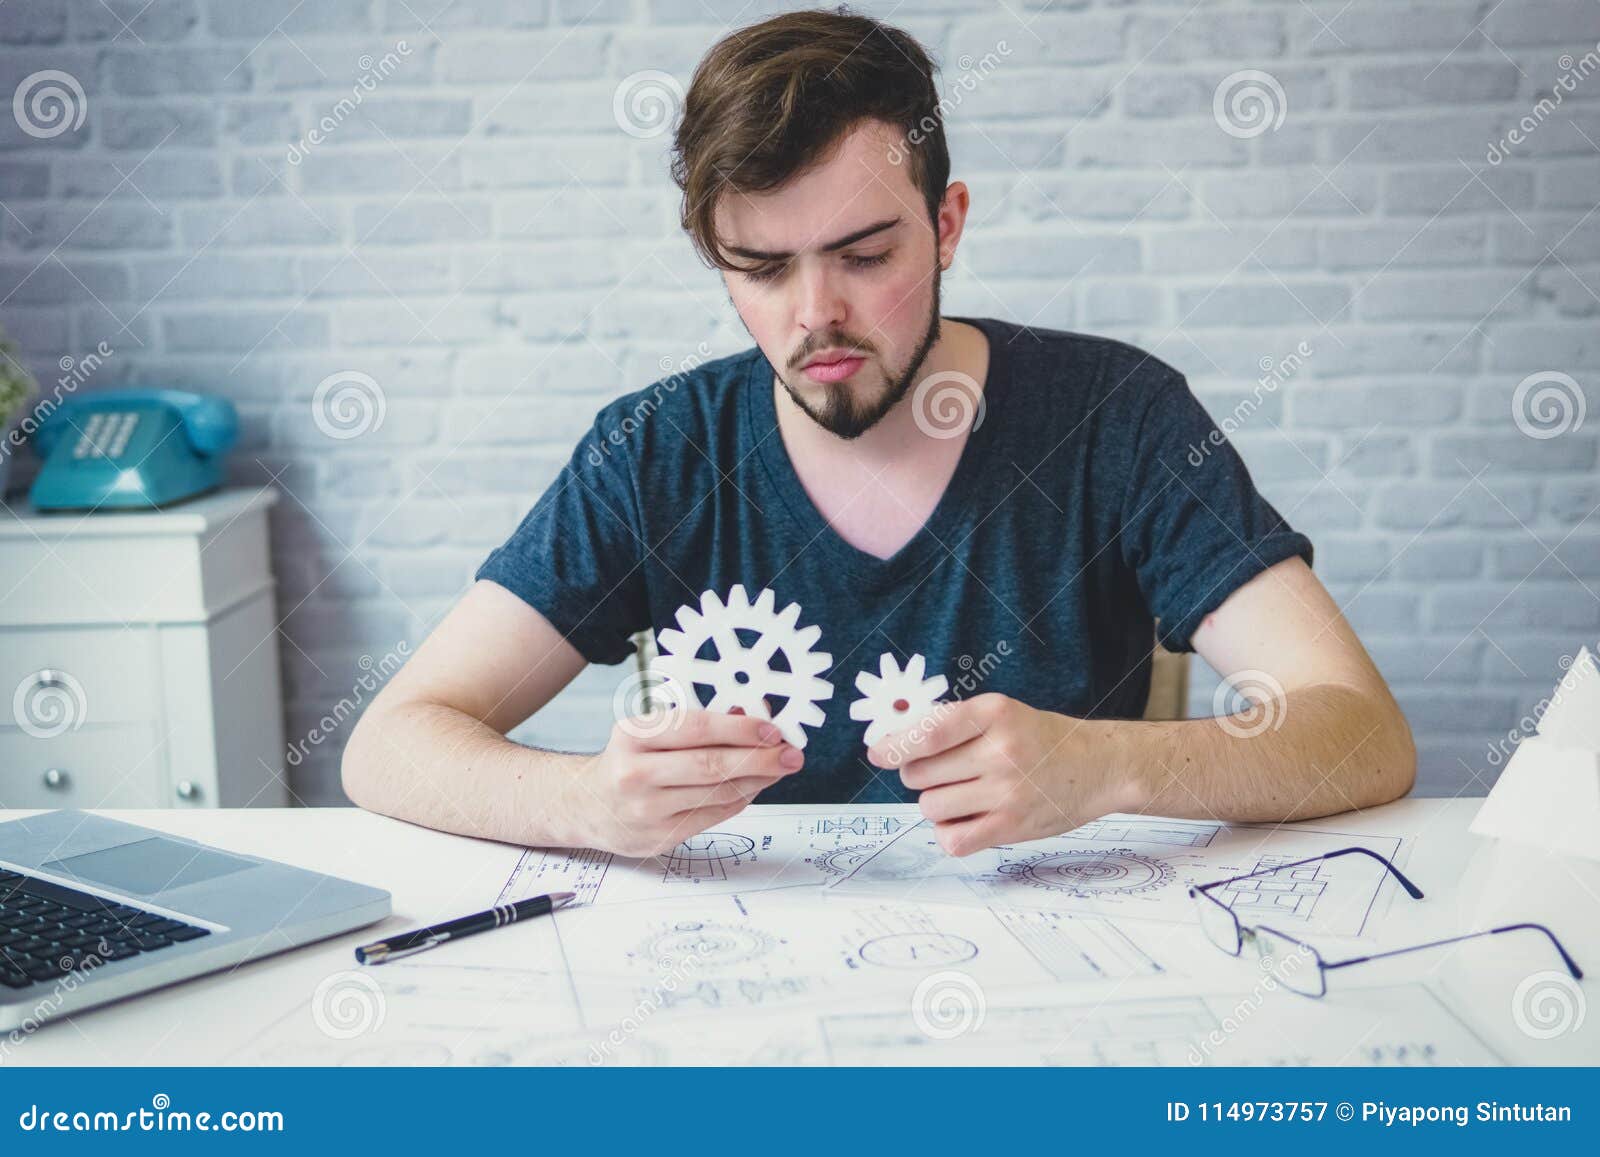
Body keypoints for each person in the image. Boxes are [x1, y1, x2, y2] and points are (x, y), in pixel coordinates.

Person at [342, 8, 1415, 858]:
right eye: (761, 269)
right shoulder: (654, 451)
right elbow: (389, 744)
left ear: (946, 224)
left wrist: (1106, 767)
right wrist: (588, 799)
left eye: (863, 255)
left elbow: (1359, 731)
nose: (814, 315)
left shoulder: (1113, 415)